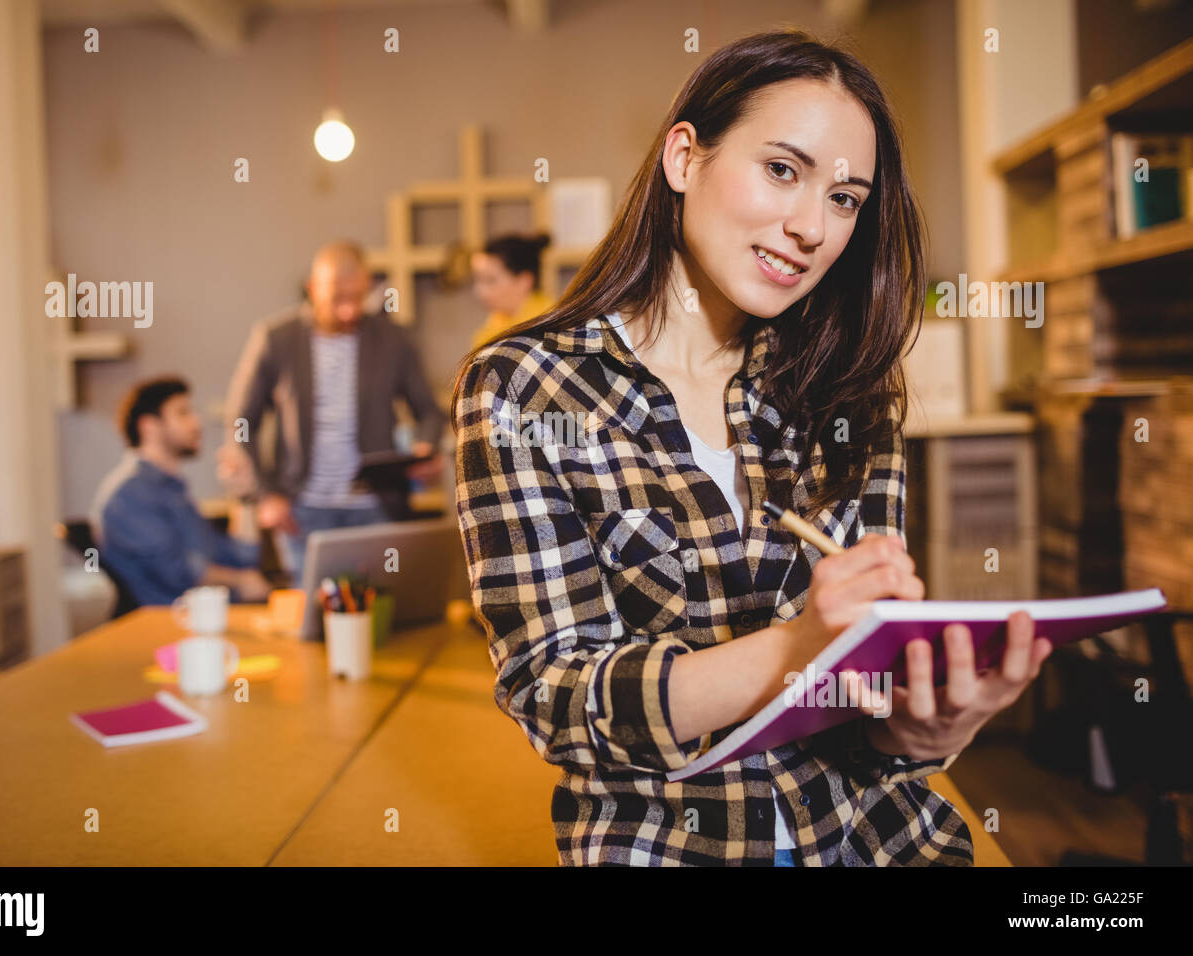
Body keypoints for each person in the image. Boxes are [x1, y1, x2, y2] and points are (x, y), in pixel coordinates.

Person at [450, 30, 1053, 867]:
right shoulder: (523, 389)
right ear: (684, 156)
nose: (811, 225)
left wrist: (923, 726)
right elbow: (555, 699)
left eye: (846, 198)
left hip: (875, 844)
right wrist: (797, 647)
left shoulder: (850, 386)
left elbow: (866, 722)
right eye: (783, 169)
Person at [225, 241, 446, 584]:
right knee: (313, 623)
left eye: (357, 299)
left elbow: (430, 413)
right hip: (303, 512)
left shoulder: (394, 339)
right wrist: (266, 494)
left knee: (386, 614)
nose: (348, 312)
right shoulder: (275, 339)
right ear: (313, 289)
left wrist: (425, 448)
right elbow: (240, 421)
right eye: (337, 300)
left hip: (376, 508)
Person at [90, 377, 270, 609]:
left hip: (211, 613)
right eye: (183, 413)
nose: (197, 422)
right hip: (172, 622)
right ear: (149, 426)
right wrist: (240, 580)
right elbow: (179, 573)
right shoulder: (129, 495)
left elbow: (241, 559)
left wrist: (244, 495)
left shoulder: (173, 491)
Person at [468, 233, 554, 350]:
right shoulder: (497, 320)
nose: (479, 291)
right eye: (478, 280)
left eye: (490, 280)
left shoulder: (546, 325)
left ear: (524, 281)